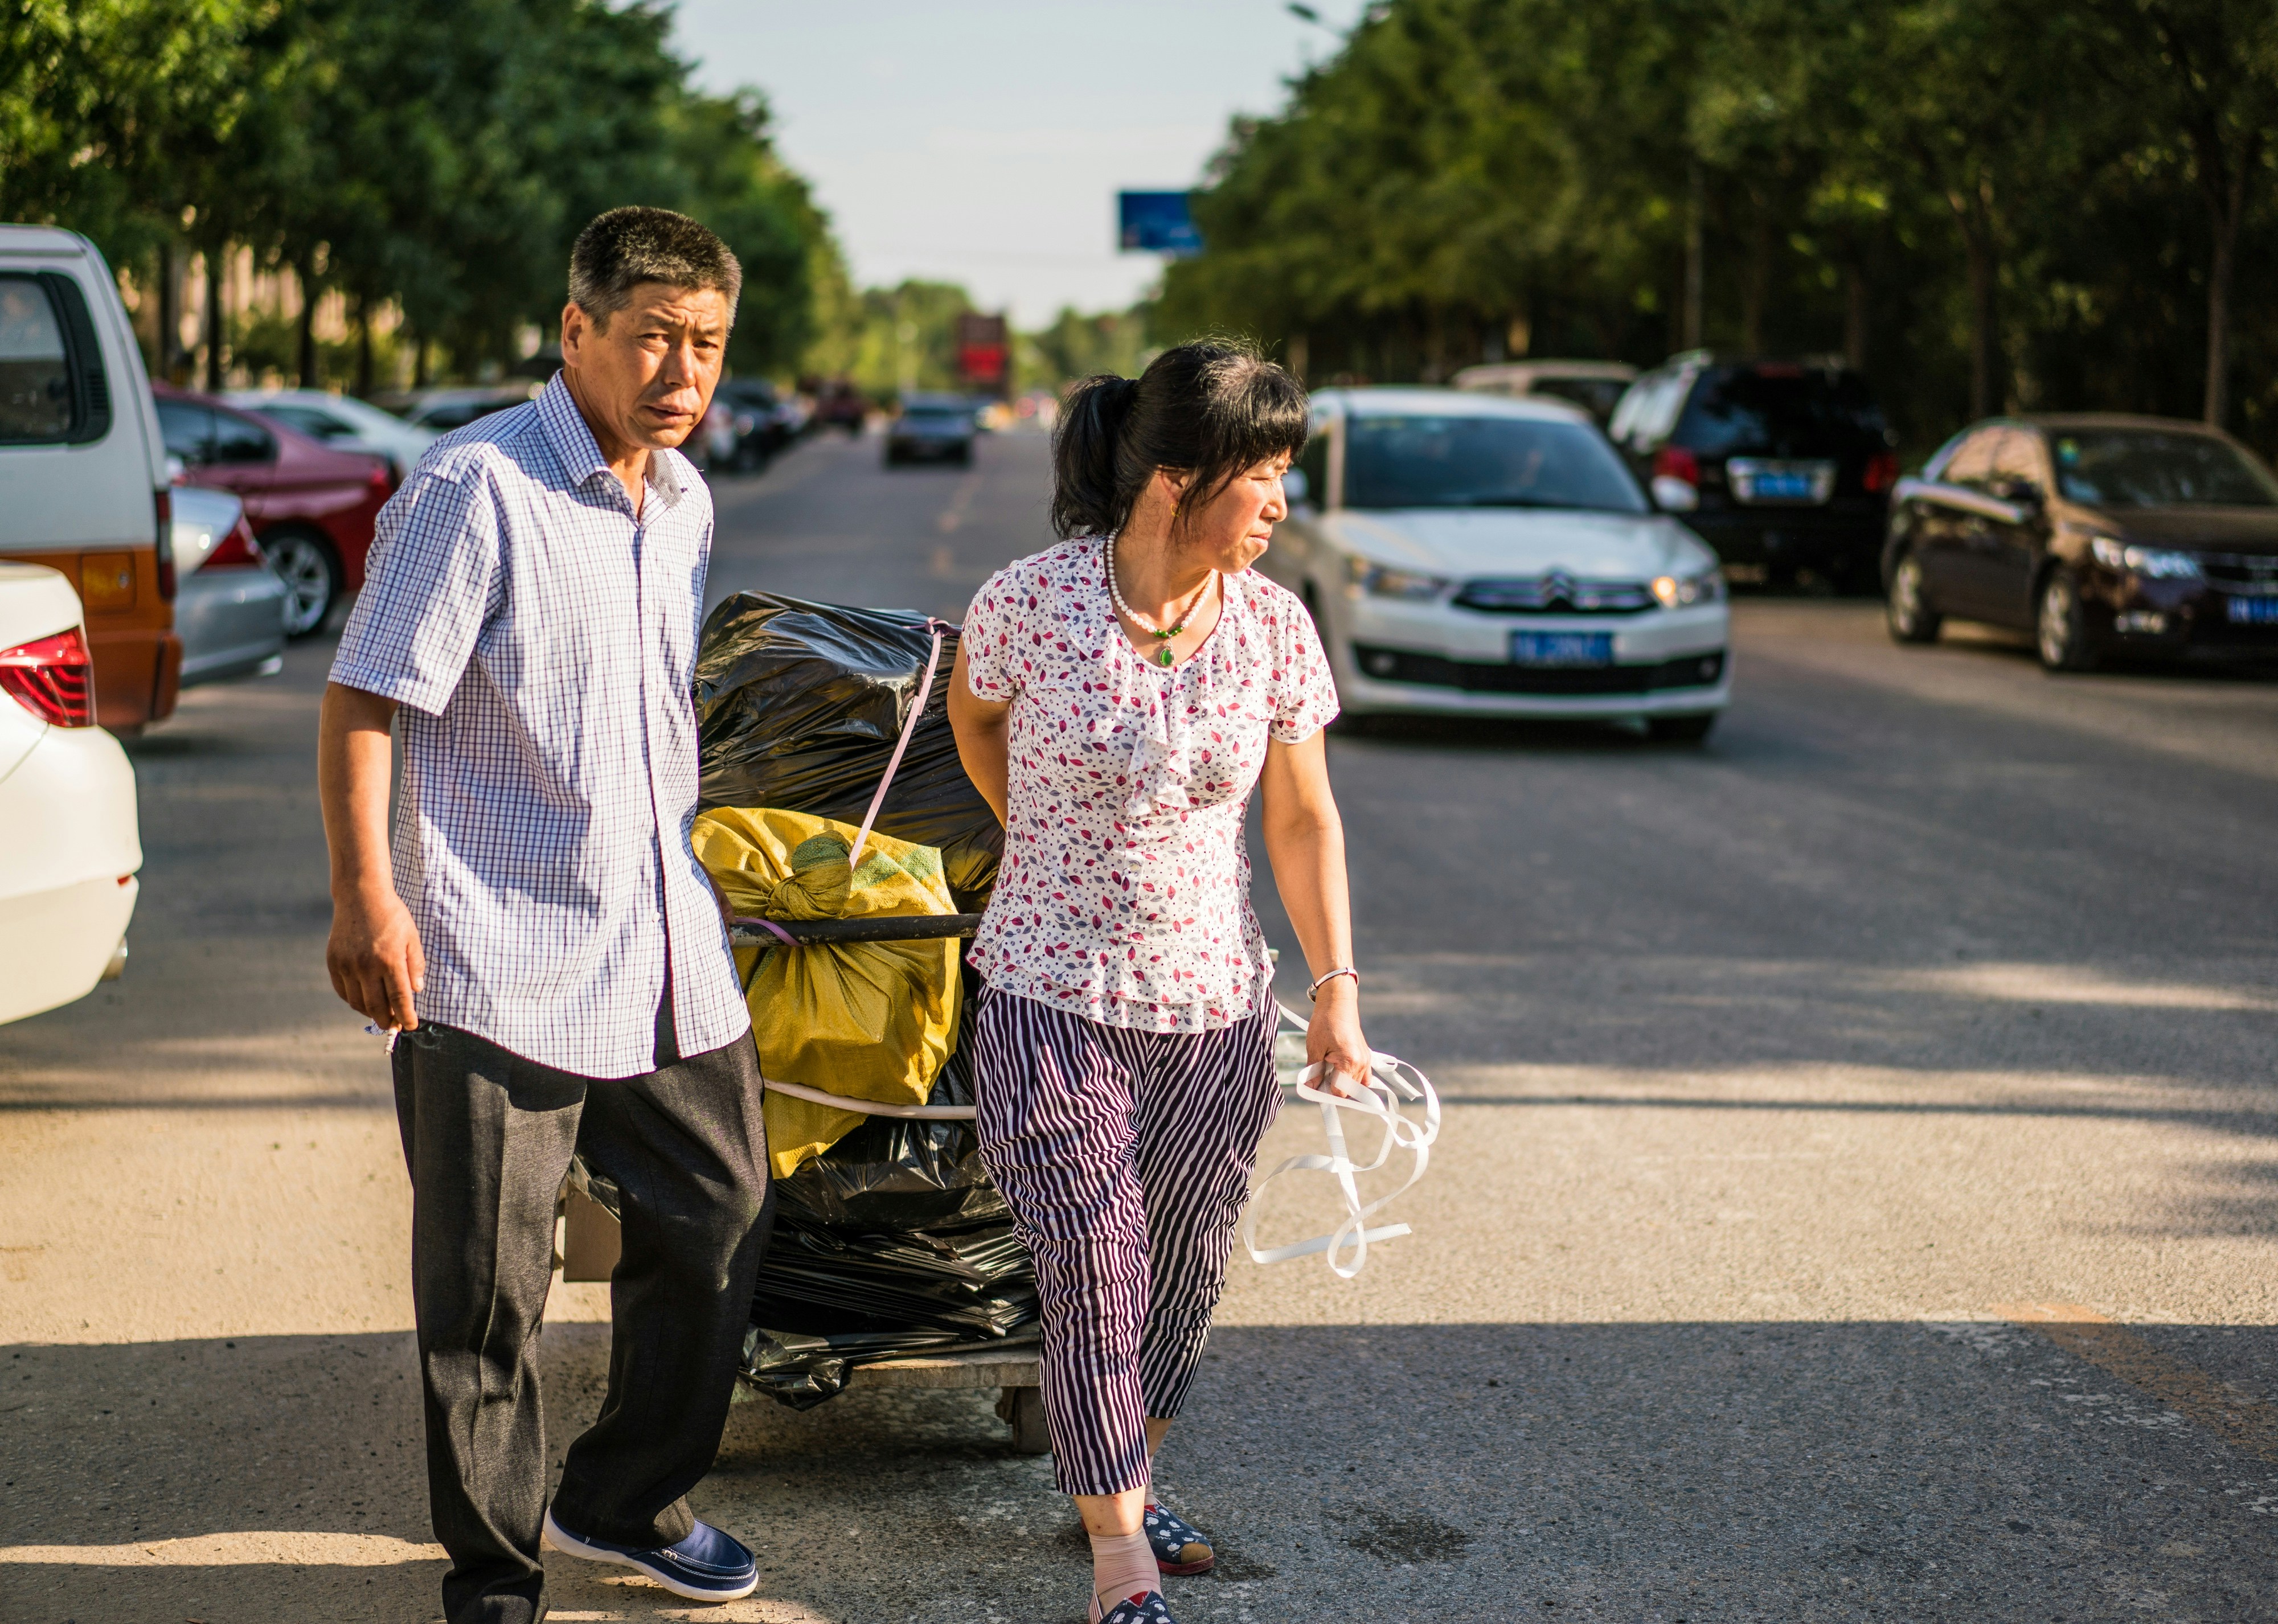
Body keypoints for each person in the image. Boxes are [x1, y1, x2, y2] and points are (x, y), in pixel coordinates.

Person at [318, 207, 772, 1623]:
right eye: (651, 337)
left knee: (721, 1209)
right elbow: (364, 699)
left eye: (704, 343)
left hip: (658, 952)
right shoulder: (474, 490)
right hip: (492, 958)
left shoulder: (684, 498)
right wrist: (365, 895)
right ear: (575, 331)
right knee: (488, 1305)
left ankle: (622, 1496)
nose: (680, 370)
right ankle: (495, 1584)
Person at [945, 339, 1371, 1624]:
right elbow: (973, 722)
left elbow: (1300, 822)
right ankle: (1118, 1559)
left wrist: (1335, 985)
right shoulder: (1027, 603)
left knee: (1181, 1265)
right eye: (1267, 474)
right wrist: (1045, 840)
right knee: (1094, 1256)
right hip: (1043, 988)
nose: (1282, 503)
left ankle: (1124, 1473)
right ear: (1176, 480)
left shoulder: (1273, 627)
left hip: (1216, 1008)